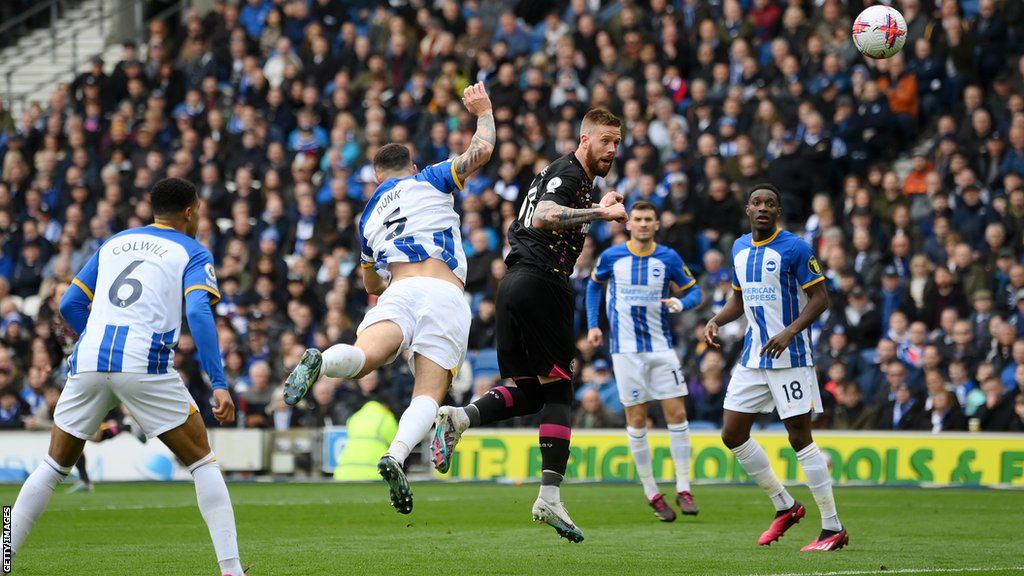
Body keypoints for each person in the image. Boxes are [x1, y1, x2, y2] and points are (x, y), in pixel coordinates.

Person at [10, 178, 246, 576]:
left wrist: (95, 336)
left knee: (51, 468)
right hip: (144, 361)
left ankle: (2, 556)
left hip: (88, 359)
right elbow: (201, 313)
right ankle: (232, 570)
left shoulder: (115, 242)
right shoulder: (192, 250)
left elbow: (69, 303)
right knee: (203, 462)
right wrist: (218, 382)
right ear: (190, 211)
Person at [280, 83, 495, 515]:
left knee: (363, 358)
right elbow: (482, 149)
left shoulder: (369, 216)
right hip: (443, 290)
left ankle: (321, 360)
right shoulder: (430, 178)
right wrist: (484, 111)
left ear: (377, 178)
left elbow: (372, 287)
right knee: (429, 393)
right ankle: (395, 455)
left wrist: (371, 269)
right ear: (411, 166)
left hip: (397, 291)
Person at [432, 108, 628, 542]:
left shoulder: (565, 174)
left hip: (514, 283)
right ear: (584, 139)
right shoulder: (570, 174)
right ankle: (549, 498)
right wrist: (600, 212)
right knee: (559, 391)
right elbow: (543, 215)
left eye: (617, 142)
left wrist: (599, 204)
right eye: (605, 140)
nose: (612, 149)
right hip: (542, 282)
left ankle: (459, 419)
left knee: (528, 393)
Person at [704, 183, 848, 552]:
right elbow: (739, 301)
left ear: (777, 212)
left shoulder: (796, 247)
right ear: (748, 210)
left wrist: (790, 331)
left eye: (770, 203)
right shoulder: (737, 248)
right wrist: (717, 320)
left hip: (791, 357)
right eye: (757, 203)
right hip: (754, 356)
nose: (763, 208)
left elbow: (821, 299)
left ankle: (832, 528)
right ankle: (785, 504)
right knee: (732, 434)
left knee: (800, 439)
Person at [584, 200, 704, 521]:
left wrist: (680, 303)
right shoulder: (611, 257)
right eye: (637, 219)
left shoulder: (668, 258)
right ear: (628, 224)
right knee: (637, 420)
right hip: (625, 352)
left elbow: (696, 292)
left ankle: (683, 487)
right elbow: (593, 288)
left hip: (661, 347)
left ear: (656, 224)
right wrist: (594, 324)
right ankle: (652, 492)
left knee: (677, 415)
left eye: (648, 219)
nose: (642, 224)